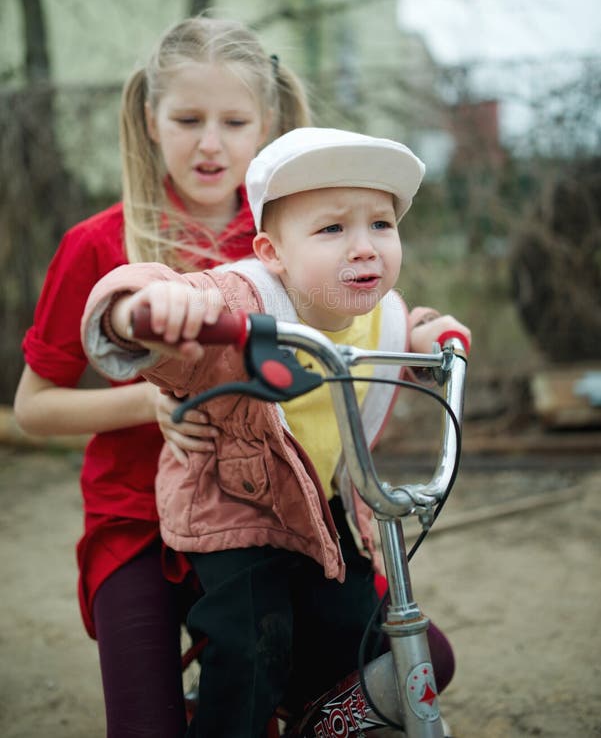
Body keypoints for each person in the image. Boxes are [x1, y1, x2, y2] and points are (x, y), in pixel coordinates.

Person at [80, 127, 471, 738]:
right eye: (332, 229)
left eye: (382, 225)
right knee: (253, 650)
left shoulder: (381, 315)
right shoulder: (244, 297)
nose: (365, 248)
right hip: (233, 515)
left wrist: (424, 337)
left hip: (320, 516)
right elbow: (161, 299)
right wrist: (144, 309)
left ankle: (318, 725)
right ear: (271, 251)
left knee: (371, 639)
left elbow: (402, 325)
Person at [13, 15, 312, 738]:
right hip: (134, 520)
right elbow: (33, 407)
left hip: (261, 516)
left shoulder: (293, 240)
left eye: (234, 120)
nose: (209, 142)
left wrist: (409, 325)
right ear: (150, 119)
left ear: (265, 123)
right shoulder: (95, 244)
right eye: (186, 118)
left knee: (408, 664)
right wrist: (151, 401)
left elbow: (347, 339)